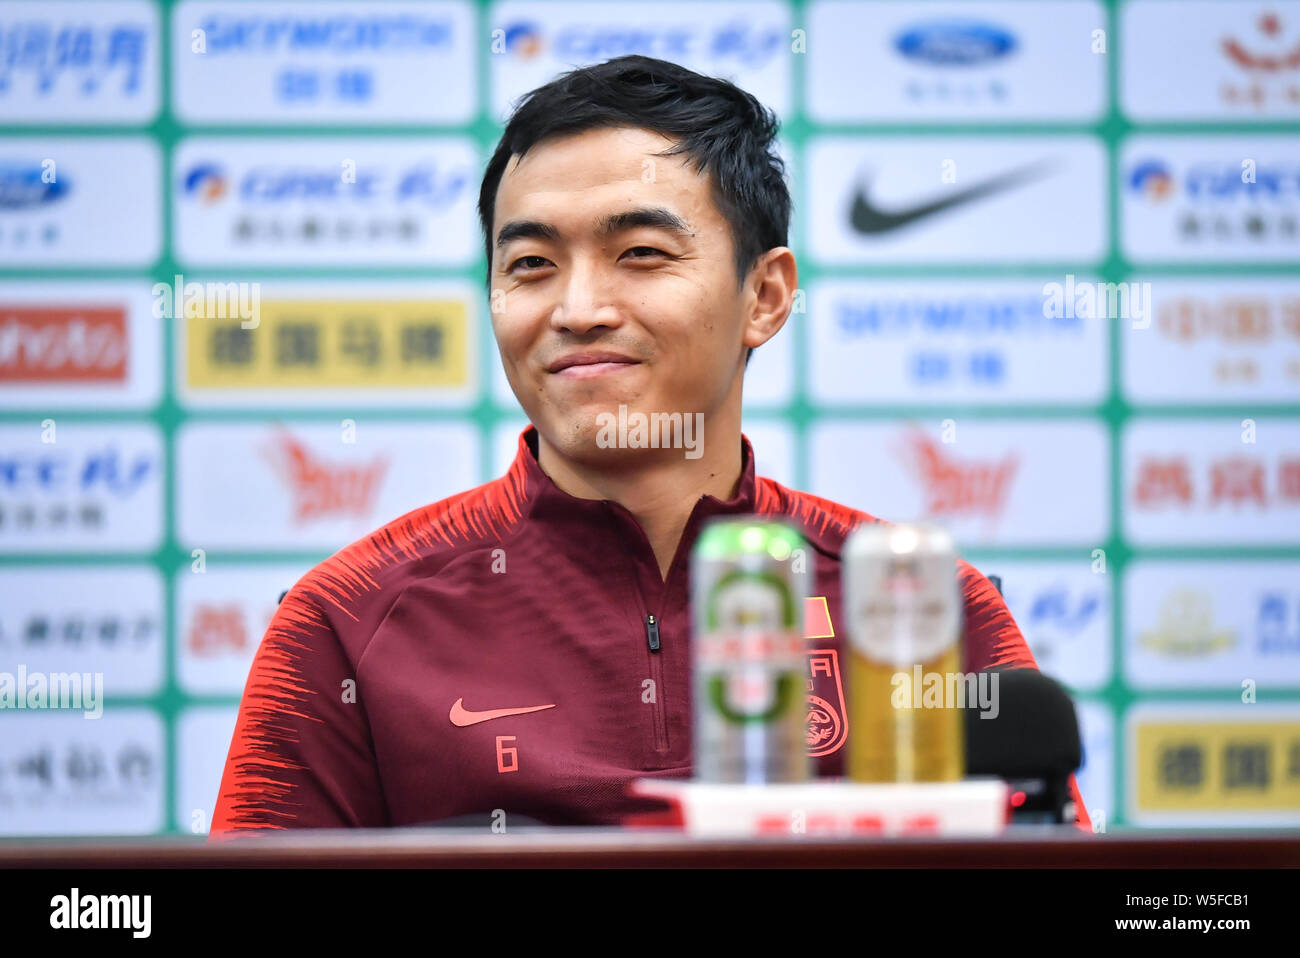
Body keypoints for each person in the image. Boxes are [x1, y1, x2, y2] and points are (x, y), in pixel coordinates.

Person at [210, 54, 1090, 835]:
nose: (578, 309)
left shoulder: (916, 601)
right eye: (530, 265)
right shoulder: (345, 619)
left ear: (767, 296)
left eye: (639, 253)